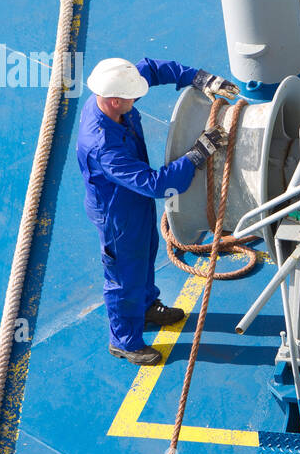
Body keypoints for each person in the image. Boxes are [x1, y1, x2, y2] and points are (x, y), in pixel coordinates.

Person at [76, 58, 236, 365]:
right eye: (132, 99)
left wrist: (202, 78)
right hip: (117, 216)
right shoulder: (102, 145)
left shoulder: (116, 90)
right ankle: (124, 341)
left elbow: (151, 68)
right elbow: (155, 184)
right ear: (114, 101)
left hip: (134, 204)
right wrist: (198, 154)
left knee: (146, 253)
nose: (137, 99)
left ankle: (147, 306)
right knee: (124, 276)